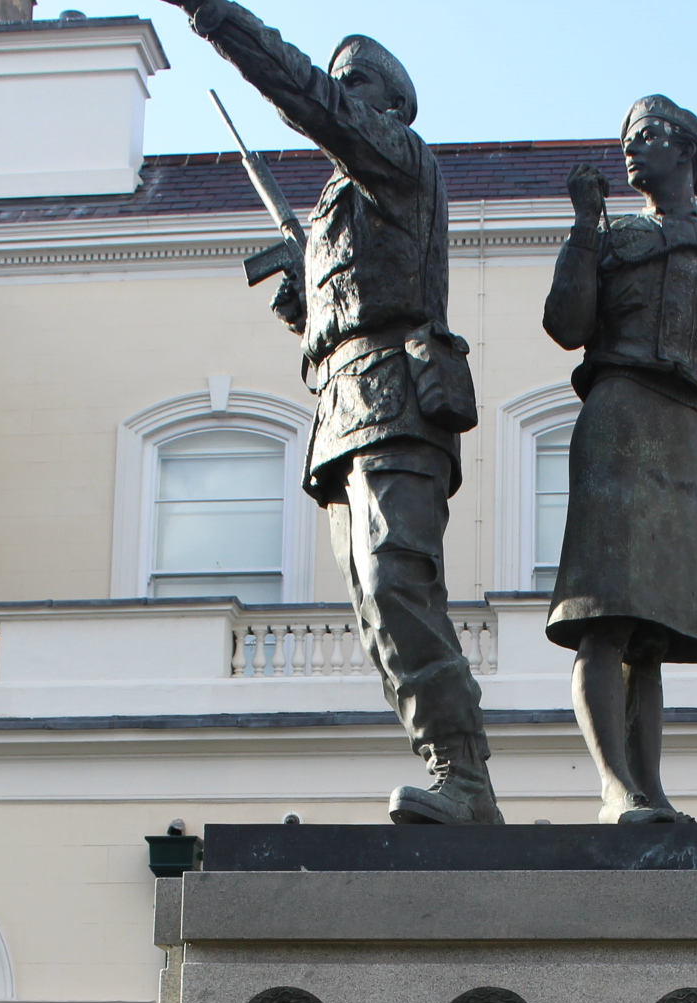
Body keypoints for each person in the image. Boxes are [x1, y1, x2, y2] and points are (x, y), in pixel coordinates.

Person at [162, 0, 499, 824]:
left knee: (398, 584)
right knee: (375, 612)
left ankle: (465, 774)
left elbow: (303, 90)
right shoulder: (340, 205)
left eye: (354, 86)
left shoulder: (398, 159)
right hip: (343, 406)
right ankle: (446, 766)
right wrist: (301, 294)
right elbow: (337, 314)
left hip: (396, 397)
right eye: (341, 85)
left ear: (388, 104)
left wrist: (214, 16)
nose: (338, 98)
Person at [544, 96, 697, 824]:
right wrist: (584, 229)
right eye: (627, 139)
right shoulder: (613, 239)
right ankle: (615, 788)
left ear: (686, 150)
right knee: (604, 618)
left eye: (647, 136)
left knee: (646, 638)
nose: (631, 150)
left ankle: (648, 789)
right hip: (621, 420)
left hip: (685, 434)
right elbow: (565, 324)